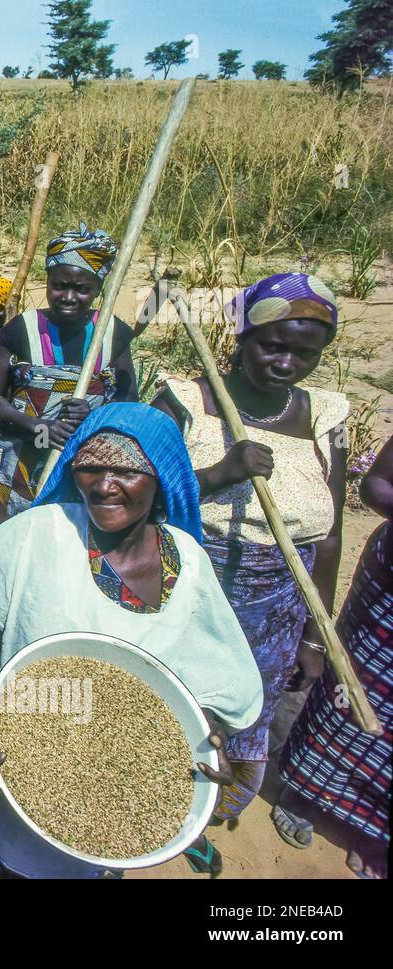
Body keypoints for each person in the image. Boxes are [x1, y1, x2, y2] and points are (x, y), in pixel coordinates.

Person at [0, 403, 263, 877]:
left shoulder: (187, 560)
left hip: (117, 785)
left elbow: (212, 674)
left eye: (126, 471)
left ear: (161, 476)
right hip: (17, 763)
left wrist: (203, 734)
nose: (103, 484)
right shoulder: (41, 532)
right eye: (90, 466)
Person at [153, 272, 349, 844]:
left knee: (242, 710)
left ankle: (209, 804)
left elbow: (331, 536)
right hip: (184, 588)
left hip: (279, 609)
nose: (286, 363)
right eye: (273, 346)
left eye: (304, 354)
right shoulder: (186, 401)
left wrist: (317, 635)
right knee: (170, 698)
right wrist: (218, 475)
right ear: (240, 337)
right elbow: (130, 492)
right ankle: (154, 796)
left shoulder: (324, 417)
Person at [0, 224, 138, 530]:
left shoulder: (112, 334)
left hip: (87, 448)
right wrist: (38, 425)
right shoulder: (23, 328)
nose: (69, 297)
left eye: (82, 289)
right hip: (22, 444)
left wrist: (94, 416)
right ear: (46, 282)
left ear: (98, 290)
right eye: (60, 286)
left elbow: (130, 402)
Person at [276, 435, 392, 880]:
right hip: (387, 597)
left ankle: (374, 826)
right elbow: (375, 485)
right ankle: (306, 790)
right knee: (351, 685)